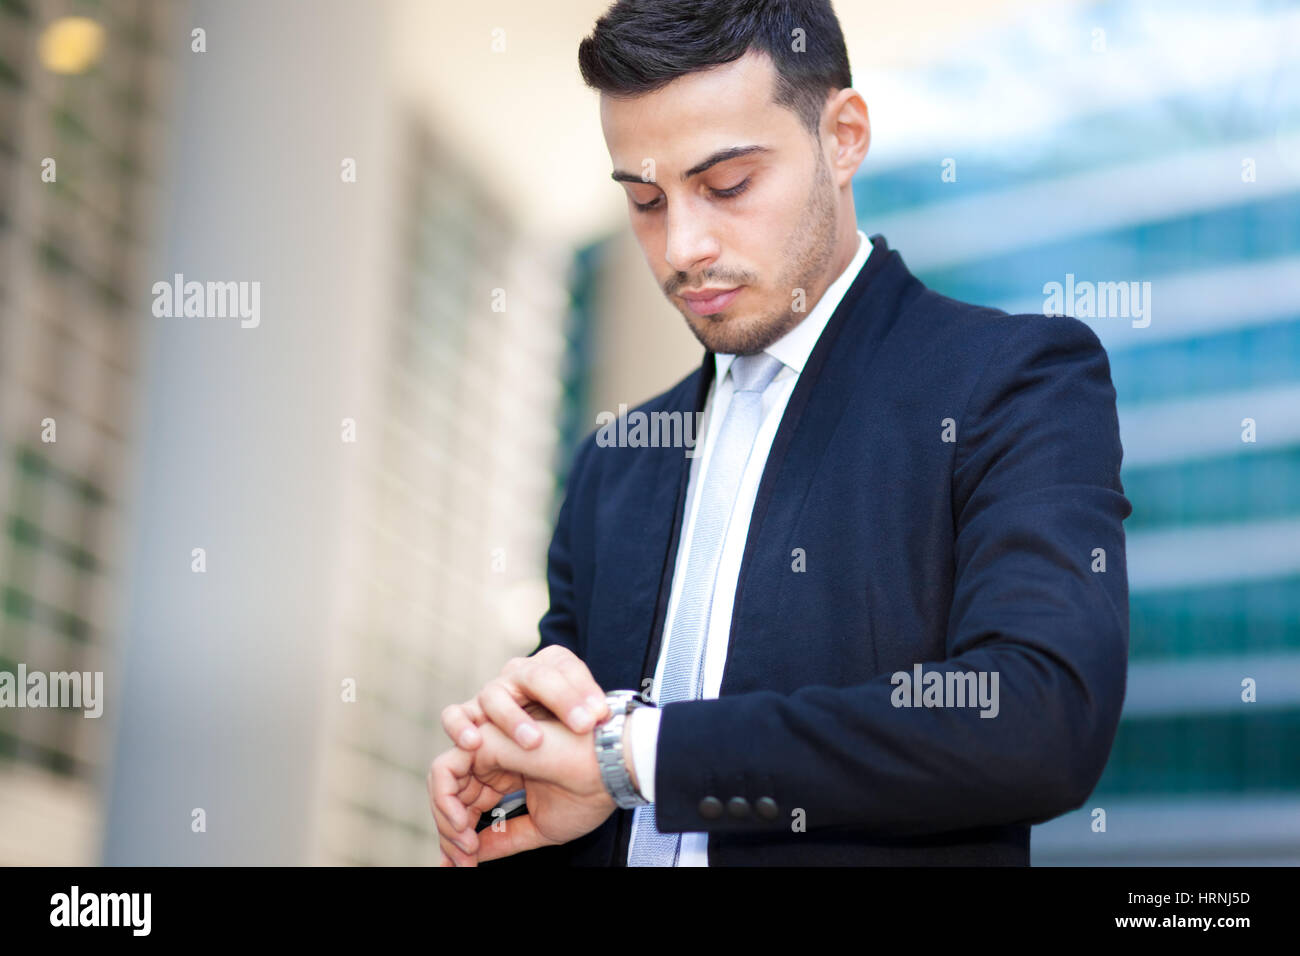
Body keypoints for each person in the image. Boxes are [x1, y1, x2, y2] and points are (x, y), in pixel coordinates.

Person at [427, 0, 1131, 867]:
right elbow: (572, 768)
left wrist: (636, 756)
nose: (683, 245)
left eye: (727, 186)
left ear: (843, 136)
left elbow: (1034, 716)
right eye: (645, 200)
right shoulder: (615, 463)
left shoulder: (1013, 381)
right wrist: (515, 758)